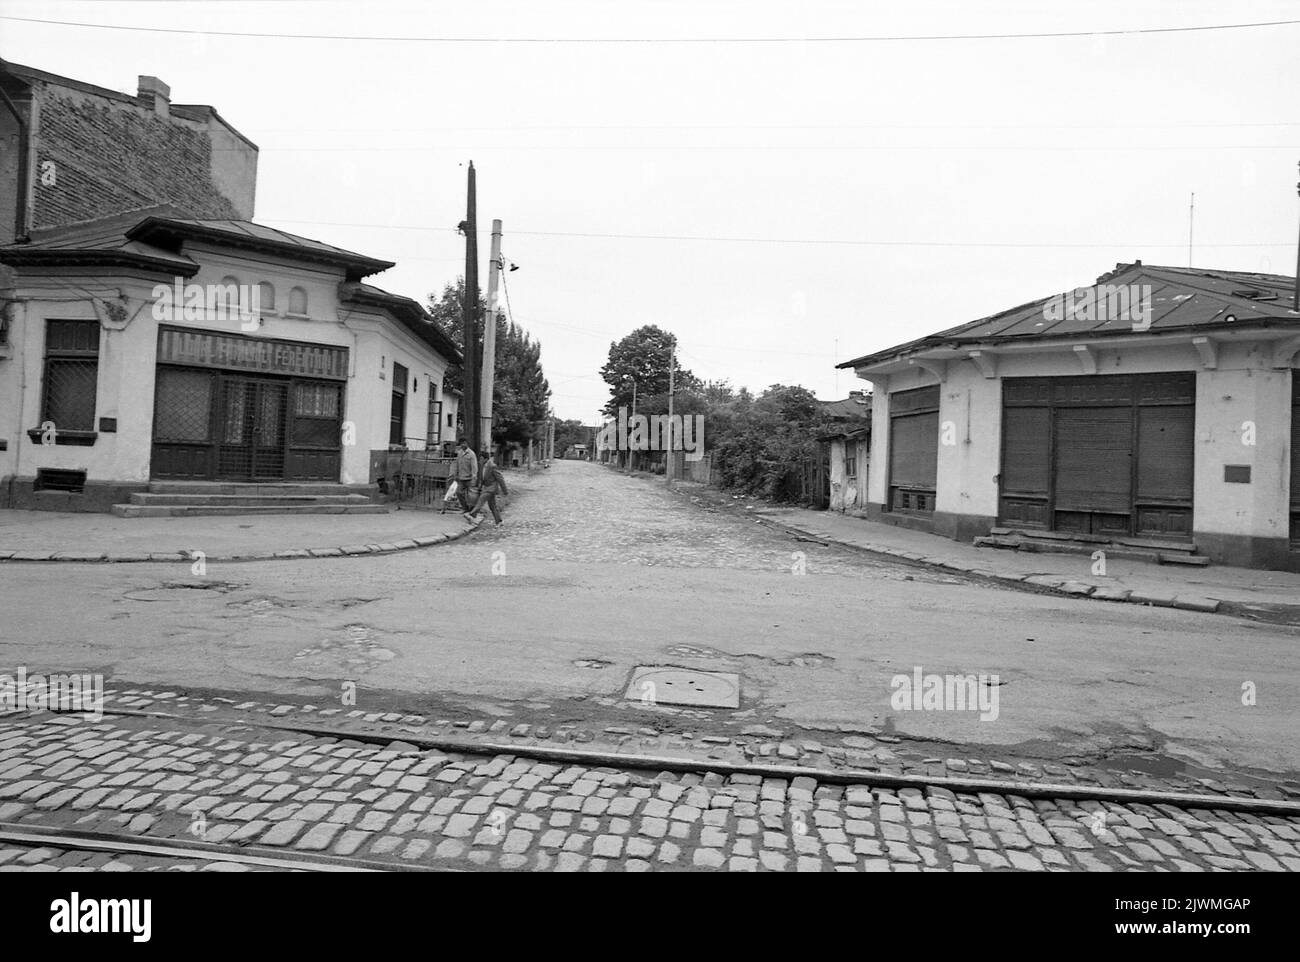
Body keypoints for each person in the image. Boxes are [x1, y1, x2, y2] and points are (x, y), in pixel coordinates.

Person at [465, 449, 509, 526]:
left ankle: (472, 514)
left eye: (481, 459)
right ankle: (499, 521)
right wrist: (480, 486)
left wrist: (505, 491)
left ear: (485, 459)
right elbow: (483, 478)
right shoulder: (482, 466)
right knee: (492, 506)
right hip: (486, 487)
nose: (479, 460)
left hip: (491, 488)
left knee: (481, 498)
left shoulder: (492, 466)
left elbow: (500, 478)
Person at [454, 438, 478, 514]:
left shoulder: (471, 454)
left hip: (469, 478)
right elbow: (457, 465)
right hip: (461, 477)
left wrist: (474, 477)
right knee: (458, 493)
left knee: (471, 496)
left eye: (464, 443)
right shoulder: (459, 453)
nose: (462, 445)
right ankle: (465, 508)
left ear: (467, 444)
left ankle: (472, 510)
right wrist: (456, 474)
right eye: (461, 443)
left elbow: (474, 467)